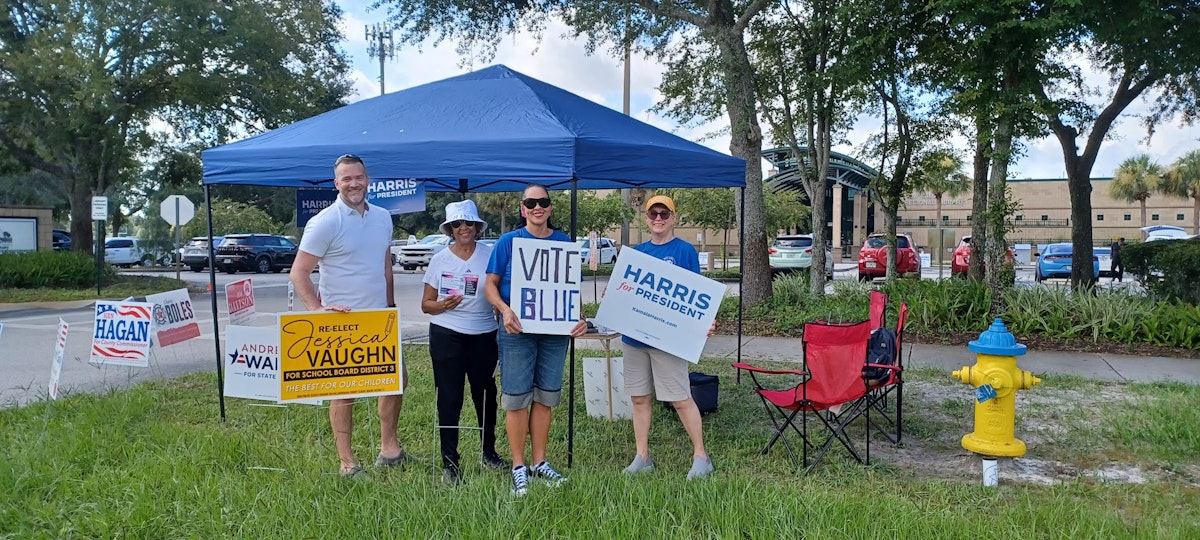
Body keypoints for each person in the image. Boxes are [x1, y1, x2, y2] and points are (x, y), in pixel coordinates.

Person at [289, 154, 406, 478]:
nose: (354, 183)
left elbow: (384, 266)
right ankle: (347, 463)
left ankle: (390, 449)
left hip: (380, 320)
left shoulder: (383, 217)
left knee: (395, 383)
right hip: (342, 322)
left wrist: (391, 305)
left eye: (359, 177)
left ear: (368, 179)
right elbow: (299, 272)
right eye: (346, 179)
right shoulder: (326, 222)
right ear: (336, 183)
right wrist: (317, 310)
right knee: (344, 393)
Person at [484, 184, 588, 496]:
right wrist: (503, 309)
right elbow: (489, 284)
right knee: (516, 398)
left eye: (543, 202)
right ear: (522, 208)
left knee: (546, 397)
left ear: (551, 208)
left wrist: (579, 318)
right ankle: (519, 466)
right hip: (517, 332)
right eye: (531, 203)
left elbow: (570, 291)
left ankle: (539, 462)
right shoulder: (509, 241)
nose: (537, 207)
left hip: (555, 333)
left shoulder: (564, 243)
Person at [620, 194, 714, 480]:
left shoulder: (684, 251)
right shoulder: (637, 251)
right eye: (653, 214)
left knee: (680, 398)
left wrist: (704, 323)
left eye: (664, 214)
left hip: (668, 341)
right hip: (634, 340)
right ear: (646, 219)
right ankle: (642, 456)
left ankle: (701, 456)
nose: (658, 219)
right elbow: (628, 290)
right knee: (639, 398)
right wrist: (614, 295)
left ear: (674, 218)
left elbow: (697, 295)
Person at [421, 199, 508, 485]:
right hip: (447, 333)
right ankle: (450, 462)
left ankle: (489, 452)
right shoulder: (439, 259)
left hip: (483, 333)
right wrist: (444, 305)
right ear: (449, 229)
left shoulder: (490, 254)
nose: (463, 228)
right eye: (457, 224)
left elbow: (499, 289)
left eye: (468, 223)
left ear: (477, 226)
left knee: (485, 396)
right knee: (449, 397)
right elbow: (426, 305)